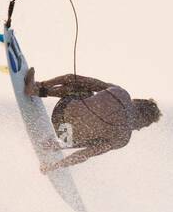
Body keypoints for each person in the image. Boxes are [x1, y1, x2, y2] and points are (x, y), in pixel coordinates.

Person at [24, 68, 161, 172]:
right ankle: (55, 145)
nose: (138, 129)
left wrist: (44, 83)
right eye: (144, 126)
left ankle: (36, 89)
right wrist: (54, 167)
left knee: (84, 89)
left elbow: (71, 78)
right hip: (64, 135)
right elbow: (86, 154)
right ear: (142, 120)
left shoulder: (120, 92)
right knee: (97, 140)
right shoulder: (122, 138)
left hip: (61, 112)